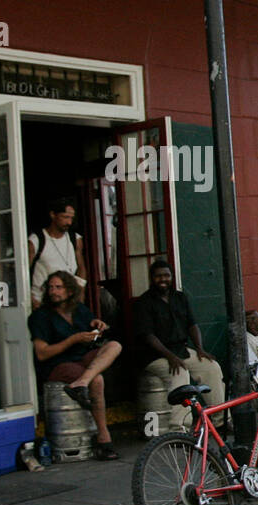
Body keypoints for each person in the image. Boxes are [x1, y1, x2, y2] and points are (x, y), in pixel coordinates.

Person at [28, 271, 121, 460]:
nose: (54, 291)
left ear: (70, 291)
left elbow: (91, 326)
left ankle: (81, 382)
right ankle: (104, 439)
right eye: (51, 287)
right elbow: (42, 353)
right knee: (98, 380)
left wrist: (97, 325)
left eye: (58, 287)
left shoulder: (78, 309)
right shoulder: (40, 316)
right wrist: (73, 339)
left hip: (82, 358)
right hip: (57, 364)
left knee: (114, 345)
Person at [131, 259, 226, 431]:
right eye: (158, 276)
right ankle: (180, 428)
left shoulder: (179, 297)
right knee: (180, 373)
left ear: (172, 277)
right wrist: (170, 357)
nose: (163, 279)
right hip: (155, 355)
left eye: (166, 275)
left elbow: (192, 325)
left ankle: (220, 421)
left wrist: (200, 349)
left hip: (180, 351)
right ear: (152, 278)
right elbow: (148, 336)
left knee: (211, 367)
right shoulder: (144, 303)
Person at [29, 197, 87, 309]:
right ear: (53, 215)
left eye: (71, 218)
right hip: (42, 301)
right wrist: (31, 299)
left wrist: (80, 293)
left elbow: (81, 268)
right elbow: (23, 272)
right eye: (65, 217)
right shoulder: (36, 240)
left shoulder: (75, 239)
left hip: (68, 302)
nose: (69, 222)